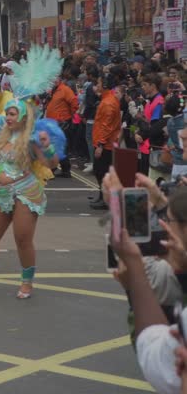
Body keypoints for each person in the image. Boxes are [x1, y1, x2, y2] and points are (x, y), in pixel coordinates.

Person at [0, 46, 64, 300]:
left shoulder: (31, 140)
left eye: (12, 114)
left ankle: (27, 281)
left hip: (25, 191)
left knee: (22, 238)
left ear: (22, 117)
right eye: (7, 113)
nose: (8, 117)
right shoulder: (0, 136)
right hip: (2, 192)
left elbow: (51, 163)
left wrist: (47, 145)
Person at [106, 168, 186, 394]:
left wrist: (121, 205)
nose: (163, 226)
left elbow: (153, 353)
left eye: (167, 220)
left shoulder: (166, 278)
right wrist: (161, 203)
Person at [89, 75, 123, 210]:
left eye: (98, 82)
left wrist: (100, 144)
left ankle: (105, 199)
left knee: (101, 172)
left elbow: (106, 126)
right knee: (100, 171)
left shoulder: (108, 102)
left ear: (104, 85)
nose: (96, 85)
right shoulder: (108, 99)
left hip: (105, 144)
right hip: (104, 142)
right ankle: (102, 195)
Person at [44, 73, 79, 178]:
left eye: (54, 78)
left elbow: (74, 103)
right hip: (53, 123)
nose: (52, 81)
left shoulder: (65, 89)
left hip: (62, 123)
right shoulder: (53, 91)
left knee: (56, 146)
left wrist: (68, 116)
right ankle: (65, 169)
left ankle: (53, 169)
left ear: (59, 79)